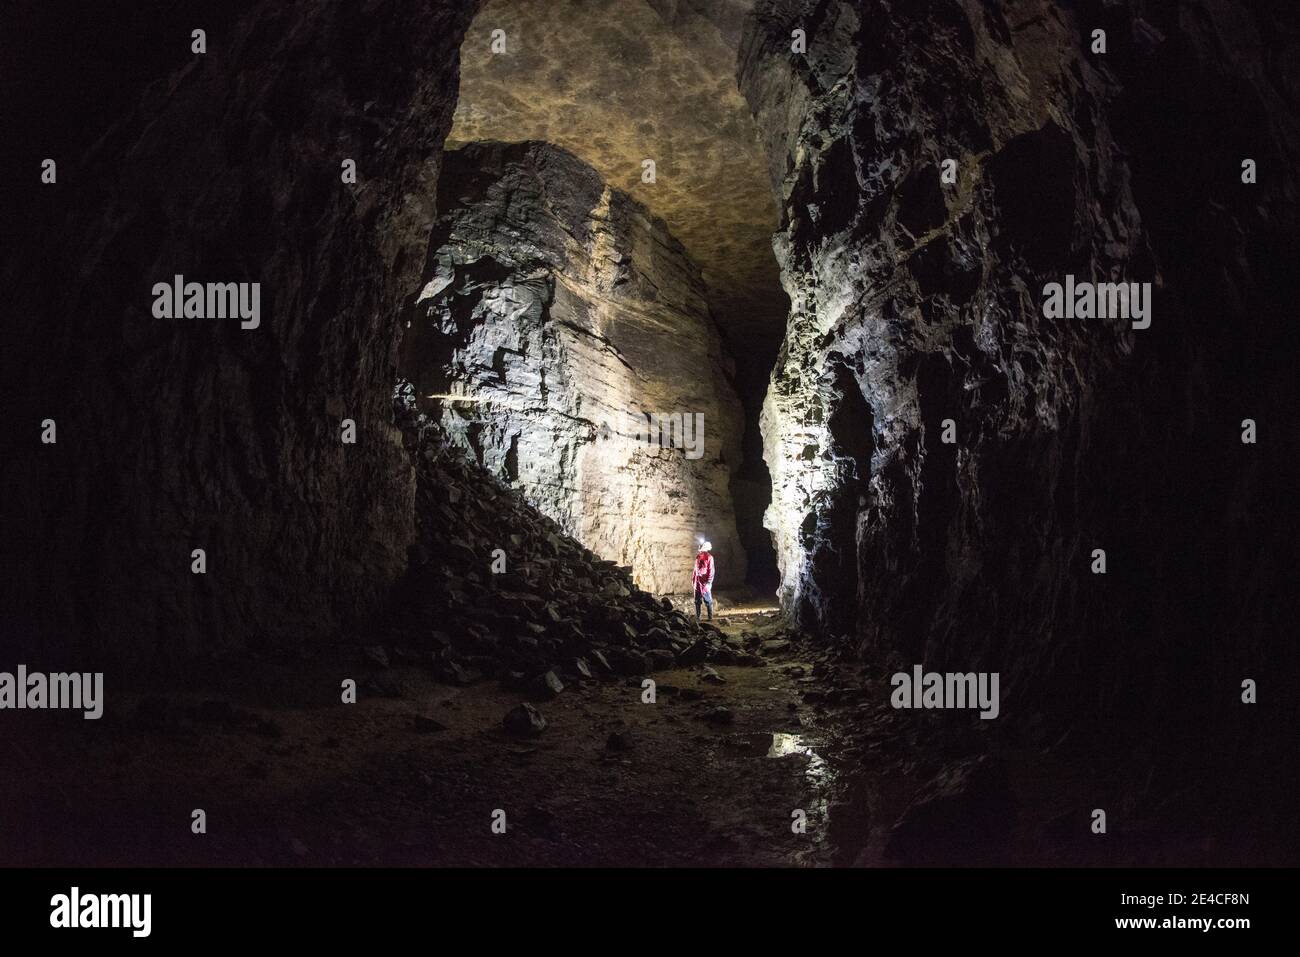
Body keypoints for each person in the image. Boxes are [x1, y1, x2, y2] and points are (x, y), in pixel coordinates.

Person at [692, 541, 715, 621]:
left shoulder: (709, 557)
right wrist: (693, 581)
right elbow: (695, 570)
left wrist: (709, 582)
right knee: (697, 601)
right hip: (697, 583)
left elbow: (711, 571)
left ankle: (710, 617)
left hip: (704, 583)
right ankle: (698, 617)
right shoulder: (698, 557)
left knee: (708, 601)